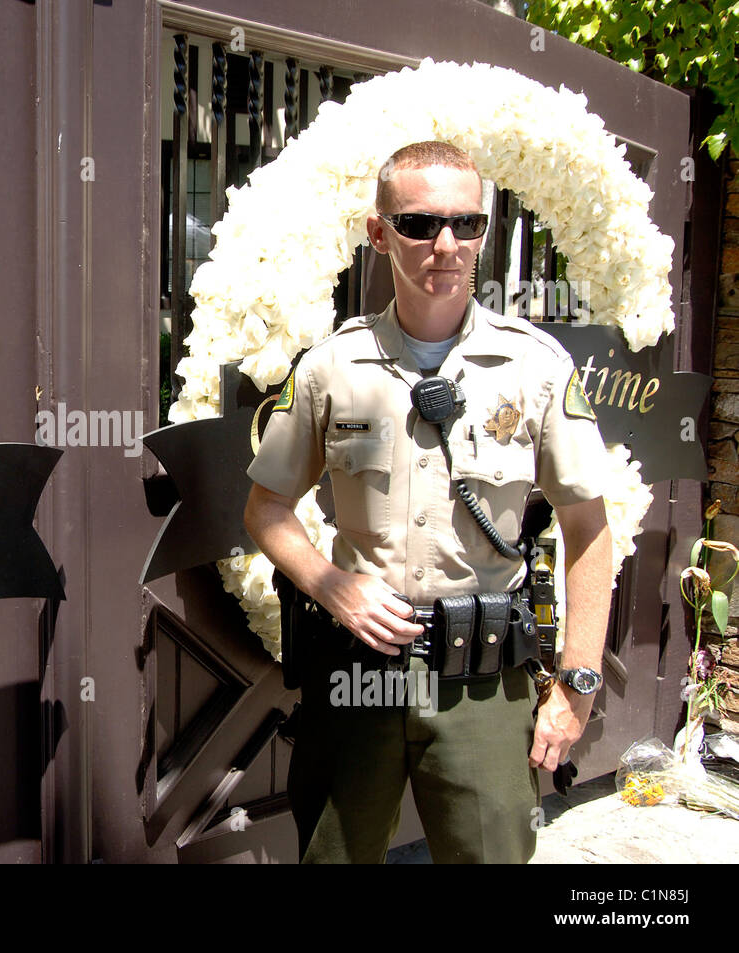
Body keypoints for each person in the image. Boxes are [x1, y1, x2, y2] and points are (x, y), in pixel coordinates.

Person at [243, 140, 613, 863]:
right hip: (358, 673)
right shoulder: (329, 369)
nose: (445, 245)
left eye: (466, 224)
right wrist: (330, 584)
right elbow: (265, 508)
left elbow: (588, 529)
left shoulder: (536, 367)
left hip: (482, 686)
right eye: (417, 224)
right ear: (380, 233)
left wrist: (577, 684)